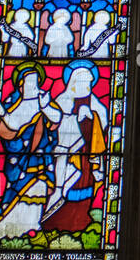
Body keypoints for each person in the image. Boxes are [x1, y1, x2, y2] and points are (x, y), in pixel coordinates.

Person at [0, 62, 59, 240]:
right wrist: (2, 114)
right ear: (21, 85)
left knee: (37, 191)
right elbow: (10, 129)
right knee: (19, 194)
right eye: (29, 83)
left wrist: (46, 106)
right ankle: (12, 230)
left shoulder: (43, 101)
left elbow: (57, 118)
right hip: (19, 161)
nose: (33, 87)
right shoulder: (14, 104)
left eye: (35, 83)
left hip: (40, 159)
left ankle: (33, 226)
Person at [41, 59, 108, 234]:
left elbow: (104, 119)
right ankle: (56, 223)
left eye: (89, 84)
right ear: (72, 83)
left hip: (85, 155)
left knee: (84, 187)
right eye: (83, 83)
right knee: (64, 187)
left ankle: (81, 222)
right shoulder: (63, 100)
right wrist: (45, 106)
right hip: (66, 154)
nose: (86, 87)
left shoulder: (93, 102)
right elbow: (56, 117)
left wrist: (91, 117)